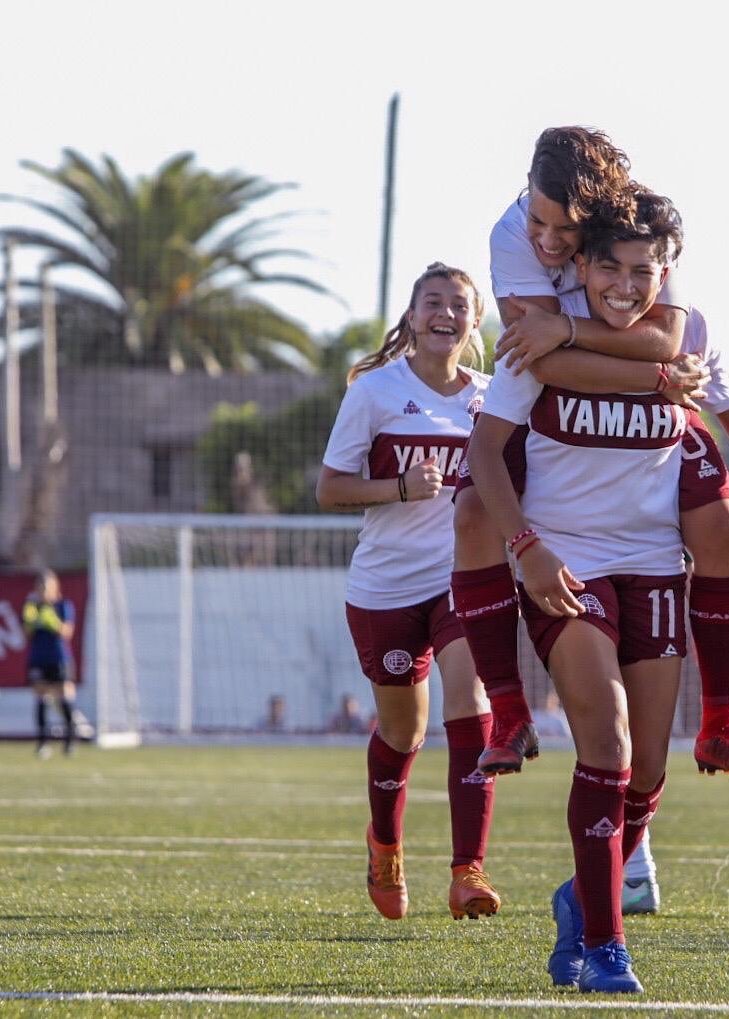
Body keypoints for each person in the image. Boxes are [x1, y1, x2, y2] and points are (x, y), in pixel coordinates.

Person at [452, 125, 729, 785]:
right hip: (563, 433)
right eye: (539, 221)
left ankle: (722, 722)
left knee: (722, 528)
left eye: (566, 229)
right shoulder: (513, 234)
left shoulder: (645, 231)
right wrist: (658, 380)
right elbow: (543, 361)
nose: (547, 240)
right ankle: (507, 707)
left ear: (598, 219)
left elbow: (670, 339)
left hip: (650, 472)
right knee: (472, 514)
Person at [467, 195, 689, 992]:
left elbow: (723, 425)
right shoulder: (535, 338)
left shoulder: (689, 337)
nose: (625, 285)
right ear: (581, 269)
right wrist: (526, 548)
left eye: (642, 271)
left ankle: (579, 895)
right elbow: (485, 452)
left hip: (655, 564)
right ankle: (604, 943)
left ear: (666, 274)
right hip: (568, 566)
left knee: (647, 773)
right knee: (609, 743)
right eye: (608, 267)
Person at [316, 263, 500, 922]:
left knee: (470, 700)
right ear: (413, 316)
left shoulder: (494, 397)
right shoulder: (374, 391)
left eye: (459, 304)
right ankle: (385, 844)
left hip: (461, 578)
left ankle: (467, 869)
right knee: (404, 729)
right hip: (385, 587)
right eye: (433, 302)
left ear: (474, 322)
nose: (445, 313)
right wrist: (399, 487)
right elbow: (331, 488)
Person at [22, 570, 76, 758]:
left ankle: (70, 740)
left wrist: (52, 620)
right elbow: (26, 635)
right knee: (41, 697)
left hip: (59, 658)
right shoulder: (32, 607)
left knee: (64, 696)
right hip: (39, 658)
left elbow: (67, 633)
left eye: (46, 586)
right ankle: (43, 743)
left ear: (55, 586)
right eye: (40, 586)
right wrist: (31, 622)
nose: (43, 589)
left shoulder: (63, 605)